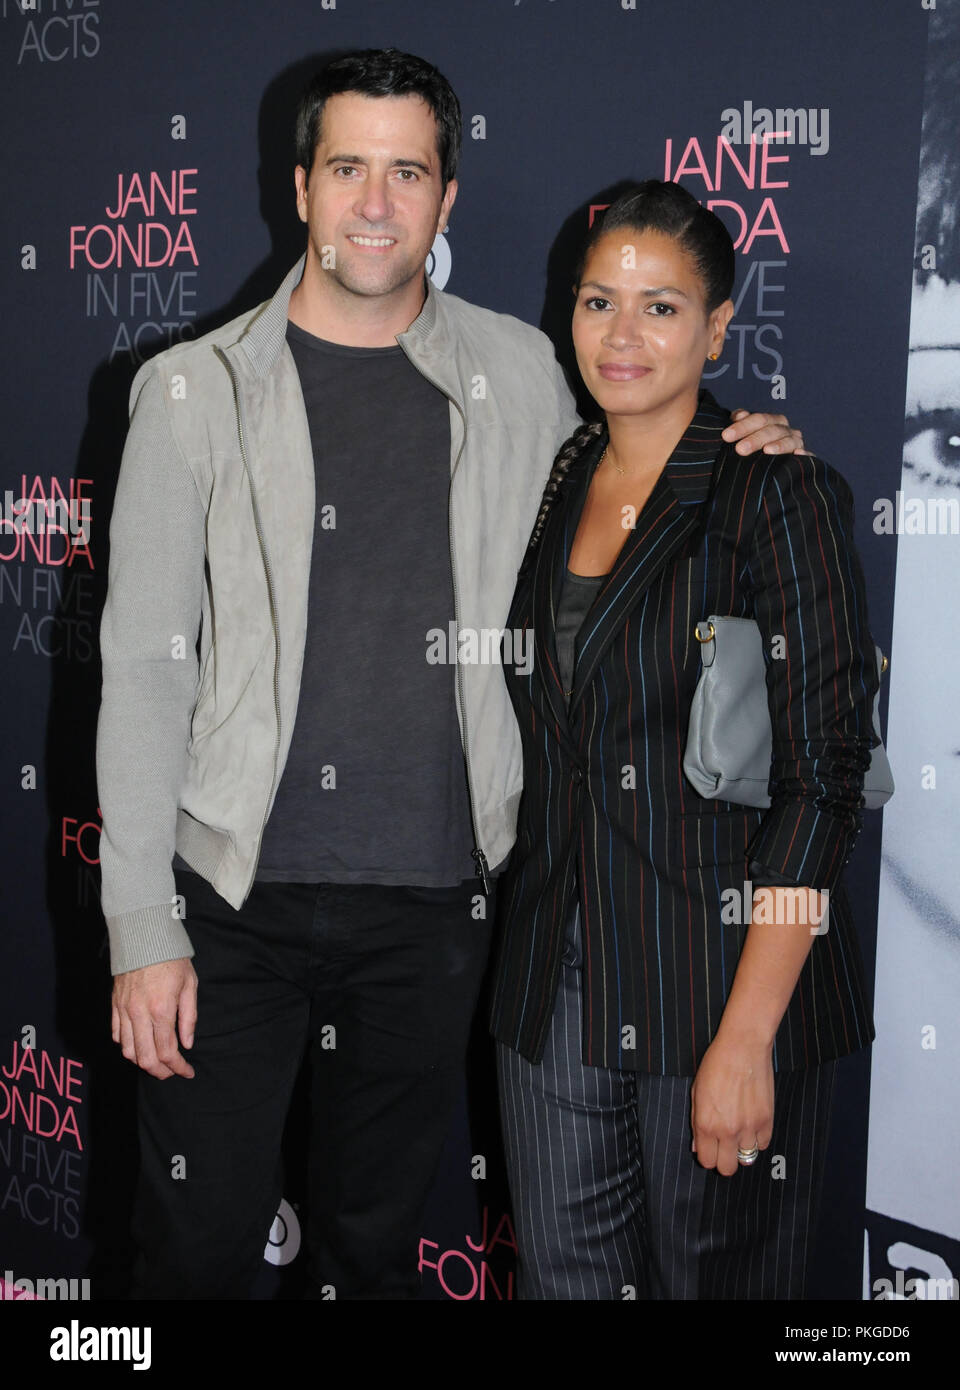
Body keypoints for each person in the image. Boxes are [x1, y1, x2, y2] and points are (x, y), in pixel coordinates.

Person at [97, 50, 804, 1301]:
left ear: (448, 196)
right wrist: (141, 927)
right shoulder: (191, 392)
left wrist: (743, 439)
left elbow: (641, 457)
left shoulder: (523, 375)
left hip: (439, 910)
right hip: (228, 906)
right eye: (350, 169)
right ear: (300, 186)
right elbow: (148, 672)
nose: (377, 203)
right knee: (193, 1255)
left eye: (407, 172)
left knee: (372, 1249)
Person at [490, 180, 879, 1300]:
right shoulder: (561, 473)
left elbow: (822, 786)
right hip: (552, 982)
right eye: (598, 301)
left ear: (716, 329)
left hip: (714, 983)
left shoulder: (773, 490)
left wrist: (749, 1035)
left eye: (661, 309)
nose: (622, 335)